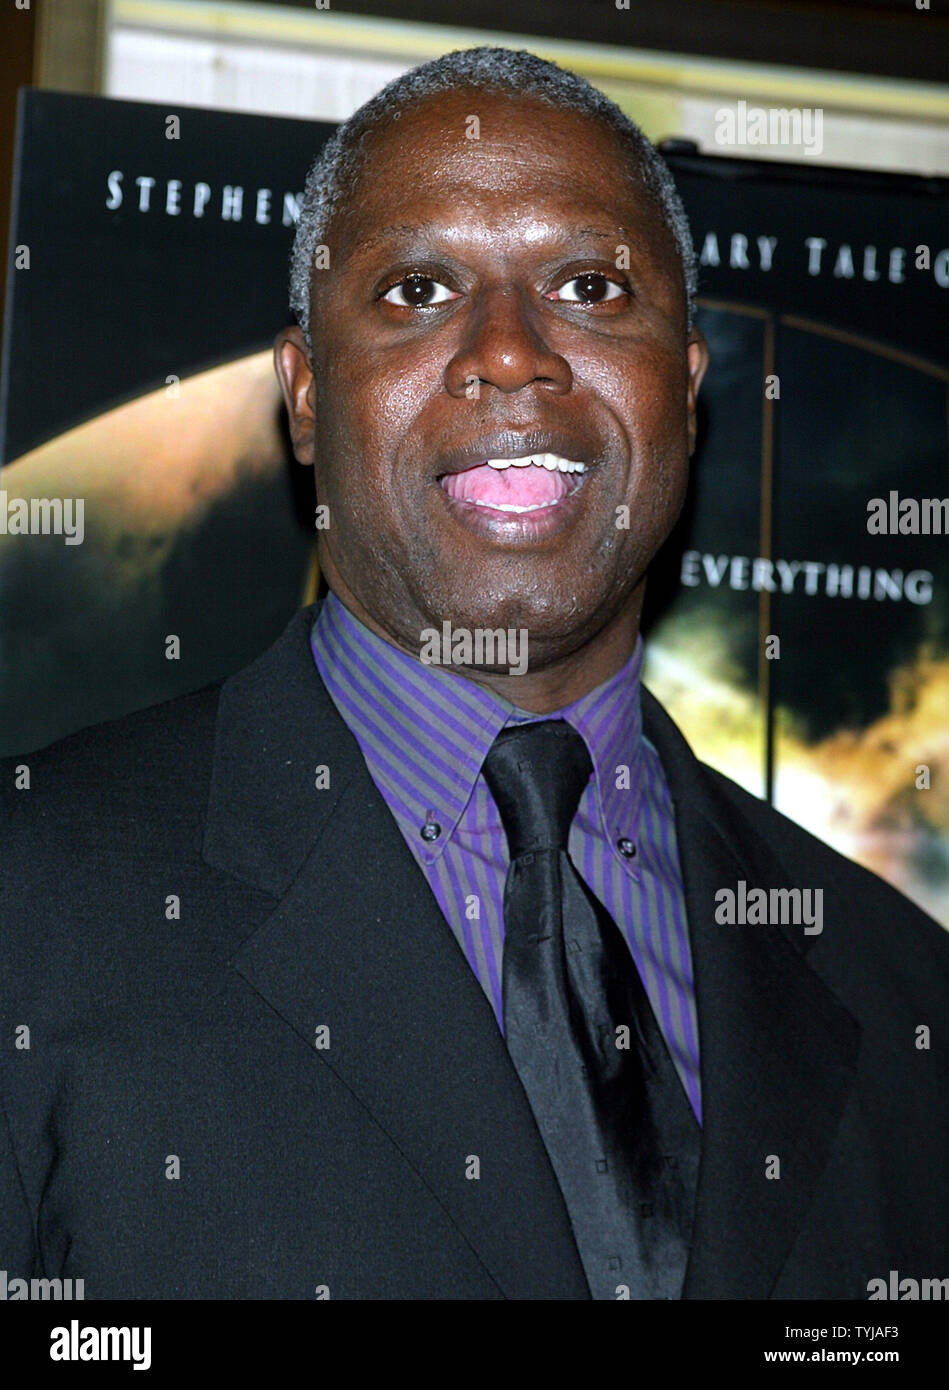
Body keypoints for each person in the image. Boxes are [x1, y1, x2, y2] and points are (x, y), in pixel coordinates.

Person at [1, 47, 946, 1301]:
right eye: (415, 288)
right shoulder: (35, 905)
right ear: (301, 394)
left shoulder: (894, 986)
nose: (510, 354)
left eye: (591, 284)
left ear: (687, 384)